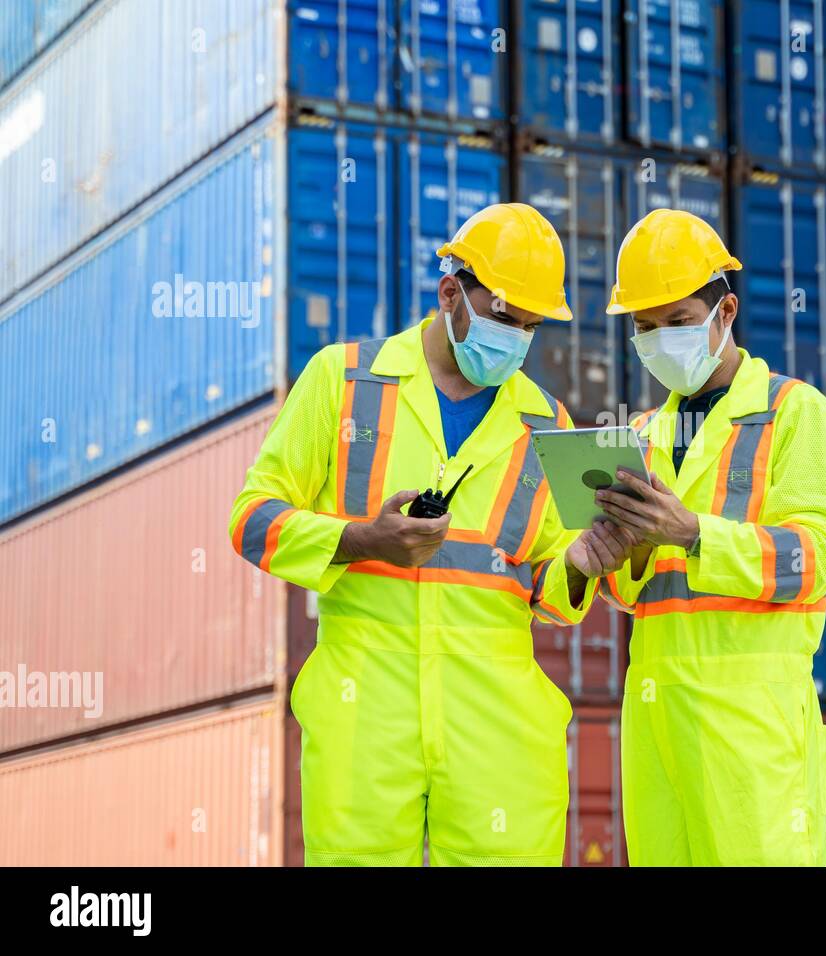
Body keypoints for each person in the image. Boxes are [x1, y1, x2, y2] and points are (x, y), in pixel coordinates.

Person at [229, 203, 636, 866]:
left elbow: (552, 597)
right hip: (365, 719)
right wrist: (363, 540)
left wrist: (585, 562)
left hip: (498, 736)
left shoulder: (546, 422)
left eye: (530, 326)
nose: (516, 338)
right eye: (504, 317)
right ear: (451, 293)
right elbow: (251, 522)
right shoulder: (345, 381)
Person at [594, 208, 826, 866]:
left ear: (725, 310)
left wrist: (694, 532)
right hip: (655, 723)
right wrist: (629, 553)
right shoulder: (643, 435)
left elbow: (817, 559)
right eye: (645, 328)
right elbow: (635, 596)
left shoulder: (794, 413)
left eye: (677, 322)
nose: (660, 340)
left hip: (752, 726)